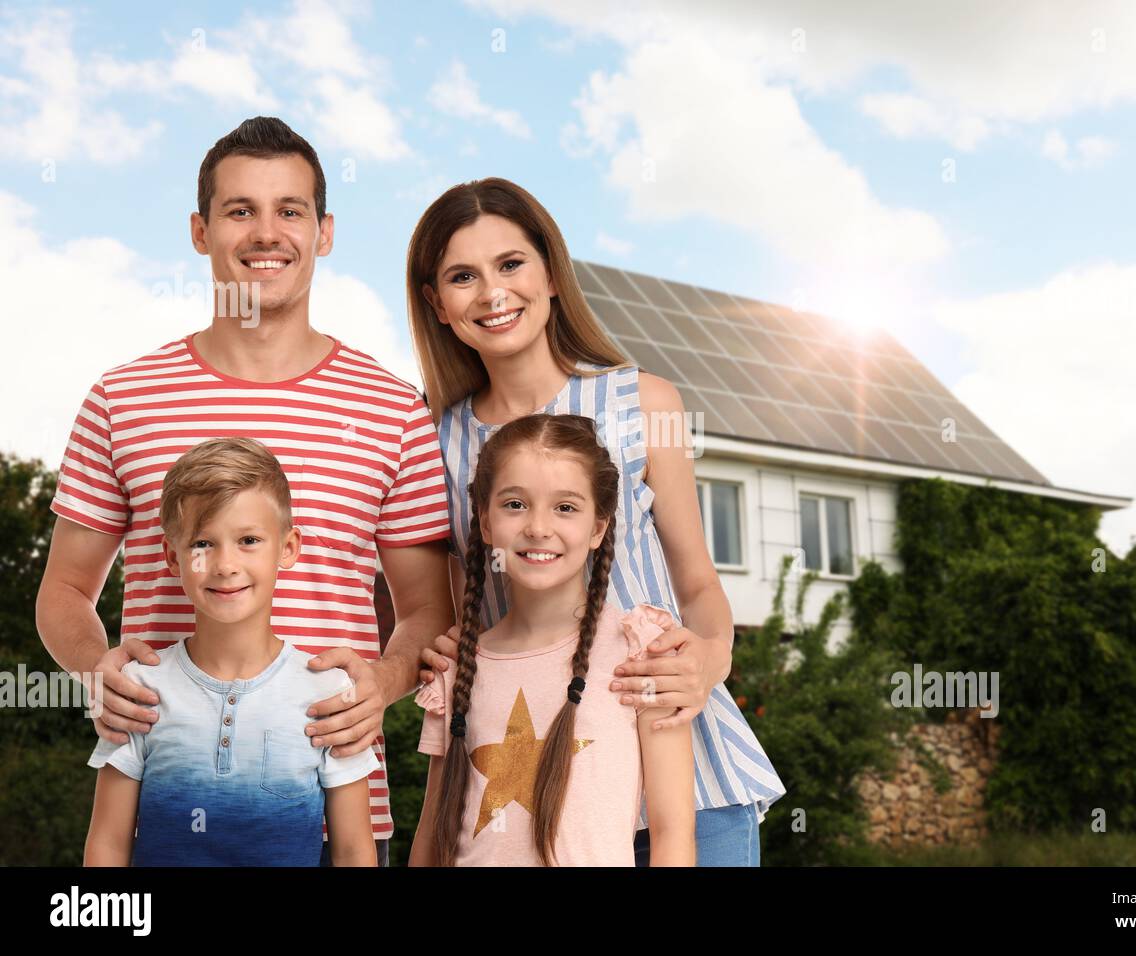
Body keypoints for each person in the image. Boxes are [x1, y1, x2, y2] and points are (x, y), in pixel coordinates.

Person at [35, 116, 455, 866]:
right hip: (159, 819)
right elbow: (64, 589)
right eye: (240, 211)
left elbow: (428, 611)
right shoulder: (123, 399)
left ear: (324, 232)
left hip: (337, 826)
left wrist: (382, 682)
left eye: (289, 210)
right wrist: (93, 667)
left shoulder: (393, 410)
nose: (268, 233)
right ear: (200, 231)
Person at [405, 177, 784, 865]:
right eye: (463, 276)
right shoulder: (432, 441)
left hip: (686, 777)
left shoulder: (645, 403)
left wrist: (708, 660)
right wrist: (437, 646)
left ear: (550, 272)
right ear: (436, 303)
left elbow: (698, 584)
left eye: (511, 264)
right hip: (532, 792)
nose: (493, 293)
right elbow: (460, 610)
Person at [408, 414, 694, 866]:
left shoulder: (641, 650)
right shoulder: (457, 665)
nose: (538, 528)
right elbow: (431, 834)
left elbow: (673, 832)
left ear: (598, 528)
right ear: (484, 523)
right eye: (515, 504)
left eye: (565, 507)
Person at [83, 439, 379, 866]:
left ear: (289, 547)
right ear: (172, 556)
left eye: (248, 540)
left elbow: (353, 850)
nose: (225, 565)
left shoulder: (329, 692)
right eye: (203, 544)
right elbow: (108, 844)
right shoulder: (139, 690)